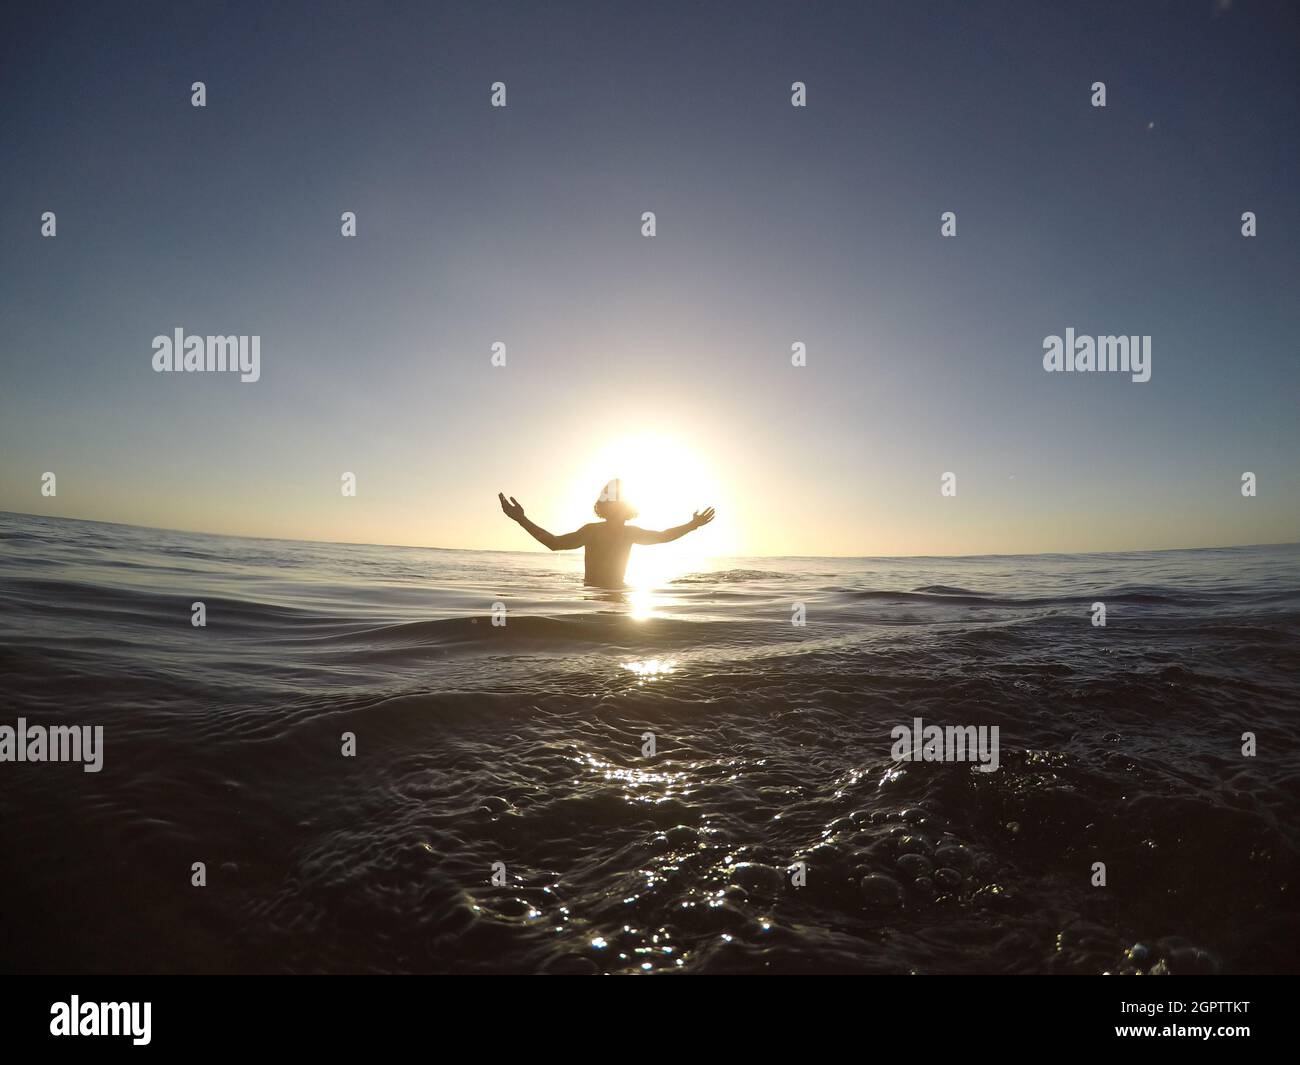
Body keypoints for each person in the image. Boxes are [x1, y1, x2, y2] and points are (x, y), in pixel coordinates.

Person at [498, 479, 714, 589]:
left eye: (618, 501)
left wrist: (692, 525)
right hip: (596, 594)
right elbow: (554, 543)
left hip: (614, 593)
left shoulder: (627, 533)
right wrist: (521, 519)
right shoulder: (594, 532)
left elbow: (663, 536)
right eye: (612, 501)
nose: (615, 506)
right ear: (605, 506)